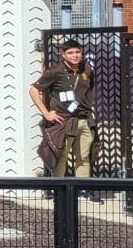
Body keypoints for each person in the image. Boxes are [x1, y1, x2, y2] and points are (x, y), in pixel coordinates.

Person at [31, 38, 97, 179]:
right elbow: (34, 89)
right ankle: (59, 192)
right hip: (63, 121)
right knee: (60, 156)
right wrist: (46, 113)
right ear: (63, 55)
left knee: (84, 157)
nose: (75, 55)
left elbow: (90, 91)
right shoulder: (55, 71)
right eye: (70, 52)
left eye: (78, 52)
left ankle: (82, 190)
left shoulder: (86, 69)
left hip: (83, 119)